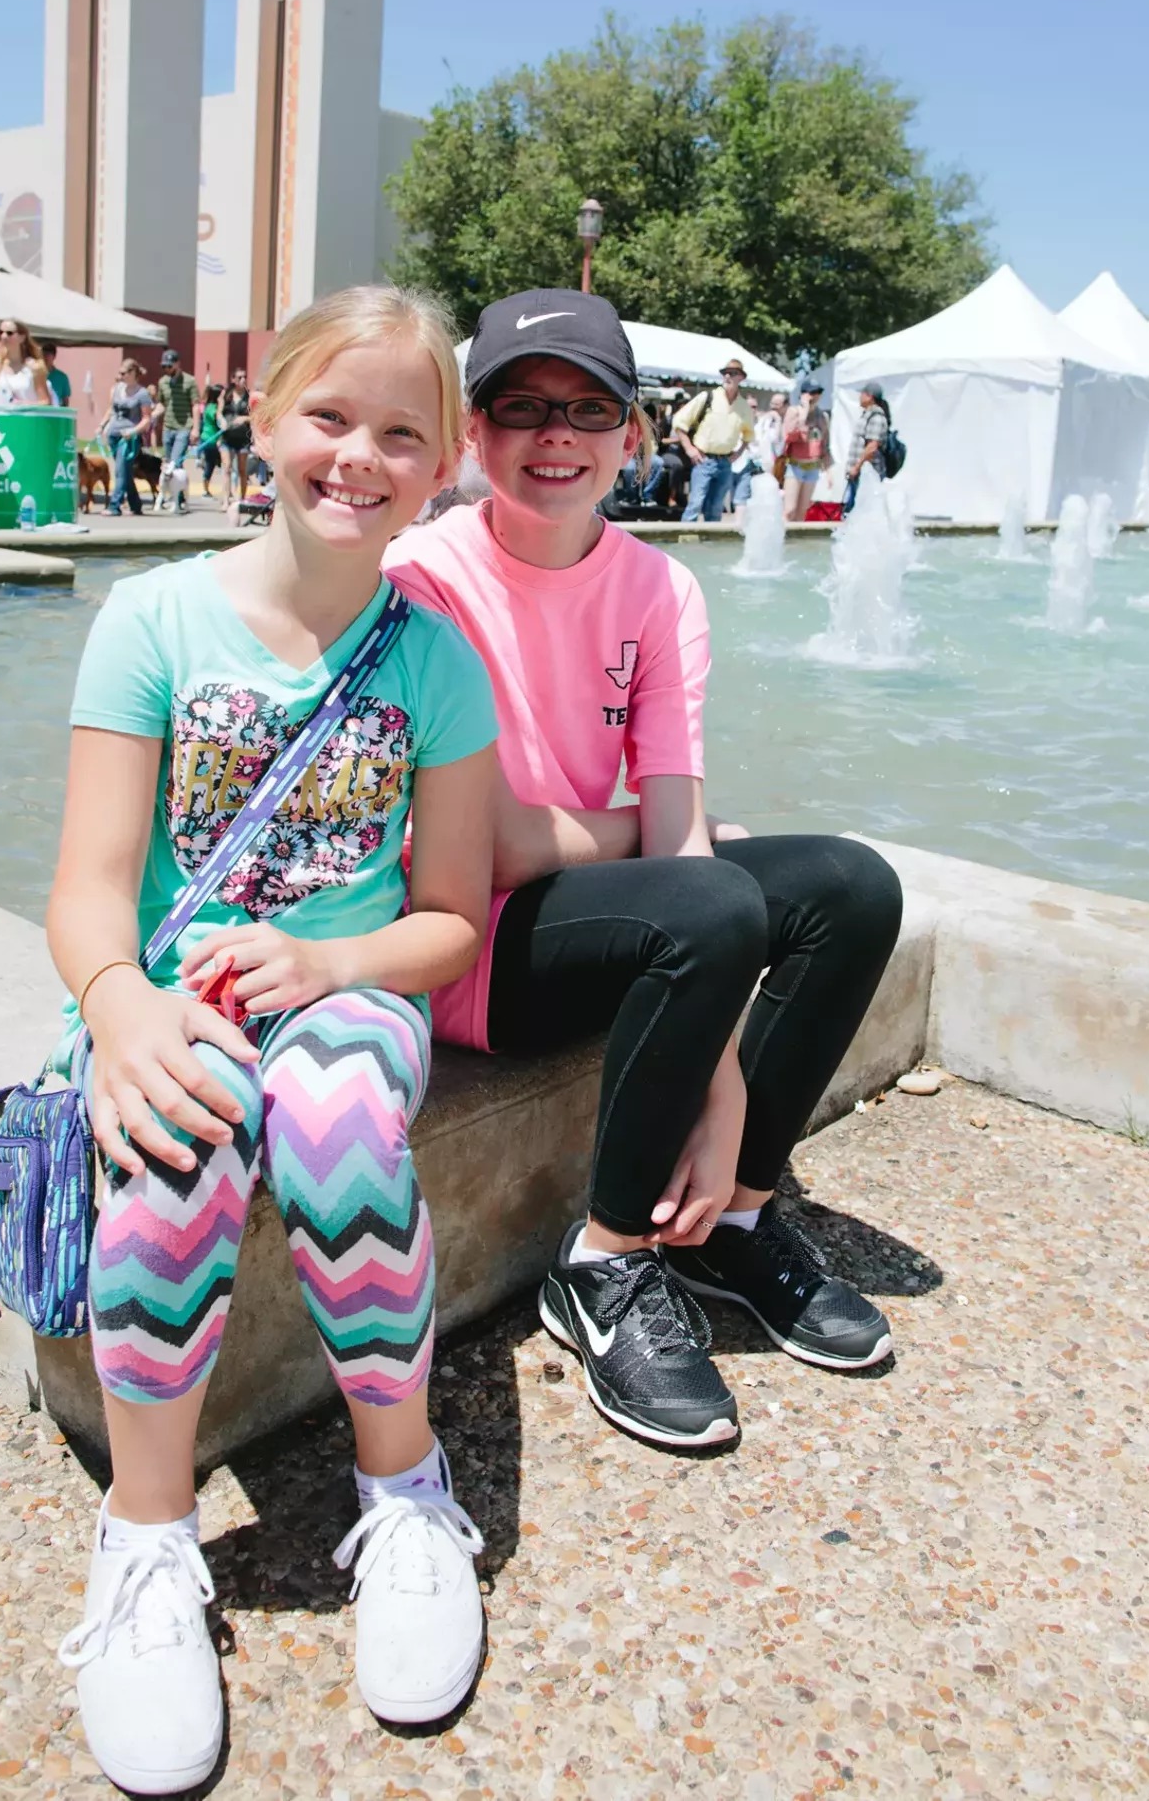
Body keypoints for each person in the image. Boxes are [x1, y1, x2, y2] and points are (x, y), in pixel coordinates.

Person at [46, 286, 498, 1789]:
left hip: (352, 978)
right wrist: (120, 1010)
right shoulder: (154, 617)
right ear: (263, 415)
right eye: (329, 414)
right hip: (172, 986)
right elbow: (88, 893)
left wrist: (330, 958)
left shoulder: (434, 660)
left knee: (338, 1132)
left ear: (442, 469)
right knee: (169, 1149)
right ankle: (148, 1541)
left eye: (400, 433)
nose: (358, 454)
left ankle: (407, 1490)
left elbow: (449, 917)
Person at [386, 288, 904, 1454]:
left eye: (590, 407)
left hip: (604, 911)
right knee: (711, 884)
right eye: (521, 406)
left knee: (850, 885)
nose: (555, 434)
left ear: (634, 436)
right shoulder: (425, 580)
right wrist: (653, 832)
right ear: (475, 434)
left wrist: (722, 1095)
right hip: (470, 943)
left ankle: (736, 1213)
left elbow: (681, 826)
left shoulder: (660, 588)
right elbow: (503, 847)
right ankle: (605, 1259)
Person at [673, 358, 754, 521]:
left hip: (725, 462)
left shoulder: (743, 406)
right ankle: (685, 543)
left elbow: (749, 435)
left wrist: (737, 454)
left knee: (716, 509)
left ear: (741, 378)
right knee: (695, 505)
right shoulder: (708, 396)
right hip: (703, 459)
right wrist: (690, 449)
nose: (728, 376)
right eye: (725, 373)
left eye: (733, 373)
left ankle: (710, 545)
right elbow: (679, 422)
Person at [98, 358, 155, 517]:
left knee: (120, 470)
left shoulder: (142, 394)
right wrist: (102, 425)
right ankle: (136, 505)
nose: (120, 376)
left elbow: (146, 419)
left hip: (130, 438)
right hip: (114, 435)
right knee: (125, 471)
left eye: (123, 373)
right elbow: (111, 410)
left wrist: (133, 431)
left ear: (133, 373)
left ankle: (115, 506)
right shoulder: (116, 389)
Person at [153, 349, 200, 512]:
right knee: (167, 463)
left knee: (175, 461)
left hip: (184, 427)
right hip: (168, 426)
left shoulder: (190, 381)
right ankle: (173, 496)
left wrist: (195, 428)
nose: (166, 369)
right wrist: (153, 415)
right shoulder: (162, 382)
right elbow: (161, 403)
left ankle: (178, 499)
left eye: (169, 366)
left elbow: (195, 405)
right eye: (164, 367)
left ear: (177, 364)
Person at [781, 378, 830, 520]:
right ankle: (783, 539)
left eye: (818, 392)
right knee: (789, 510)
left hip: (813, 467)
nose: (815, 396)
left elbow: (825, 443)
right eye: (811, 392)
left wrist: (828, 470)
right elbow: (789, 436)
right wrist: (803, 415)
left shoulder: (822, 416)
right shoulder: (793, 411)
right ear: (803, 394)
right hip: (795, 465)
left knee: (802, 511)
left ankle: (796, 541)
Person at [844, 381, 890, 514]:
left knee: (861, 509)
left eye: (862, 394)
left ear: (869, 396)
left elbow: (872, 446)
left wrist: (856, 467)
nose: (860, 397)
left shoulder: (876, 417)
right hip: (860, 472)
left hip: (866, 473)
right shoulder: (867, 415)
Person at [0, 319, 52, 408]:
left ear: (22, 337)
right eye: (0, 332)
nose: (4, 336)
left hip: (24, 419)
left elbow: (45, 402)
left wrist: (25, 405)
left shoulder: (35, 367)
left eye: (9, 333)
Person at [219, 368, 253, 513]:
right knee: (226, 468)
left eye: (244, 377)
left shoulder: (249, 396)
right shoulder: (226, 394)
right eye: (239, 377)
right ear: (233, 379)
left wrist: (244, 418)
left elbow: (256, 416)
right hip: (226, 437)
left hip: (242, 438)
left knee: (242, 470)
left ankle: (243, 499)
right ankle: (226, 500)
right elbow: (218, 413)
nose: (243, 380)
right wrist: (221, 421)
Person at [196, 381, 222, 495]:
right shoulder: (213, 408)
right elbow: (218, 419)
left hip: (207, 438)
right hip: (211, 439)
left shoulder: (208, 406)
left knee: (211, 464)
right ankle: (206, 489)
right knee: (211, 464)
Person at [41, 341, 72, 408]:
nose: (45, 357)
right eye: (43, 354)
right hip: (40, 412)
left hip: (56, 412)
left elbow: (65, 400)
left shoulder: (62, 377)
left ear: (54, 356)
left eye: (48, 354)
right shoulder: (36, 375)